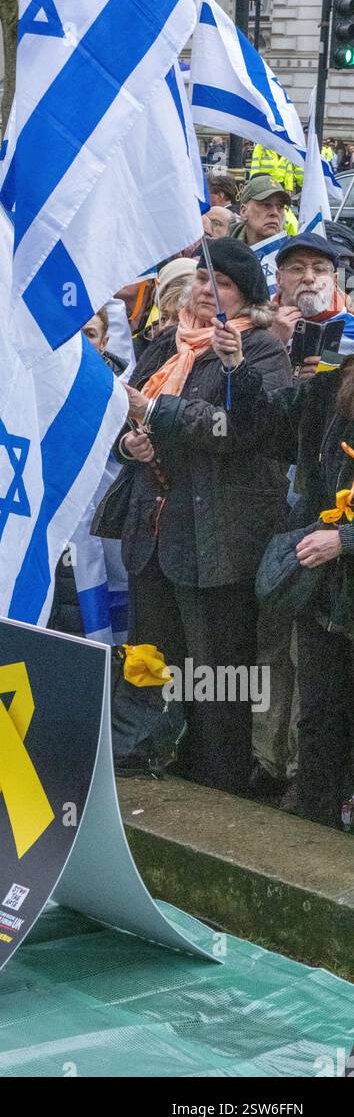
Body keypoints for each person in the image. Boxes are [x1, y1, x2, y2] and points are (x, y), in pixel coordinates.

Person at [118, 240, 291, 795]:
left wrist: (158, 412)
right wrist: (131, 443)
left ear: (247, 296)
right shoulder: (166, 343)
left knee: (216, 672)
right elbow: (123, 405)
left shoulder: (261, 349)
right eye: (199, 279)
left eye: (220, 284)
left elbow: (241, 429)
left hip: (218, 537)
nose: (202, 291)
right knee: (152, 660)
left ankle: (217, 782)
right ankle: (143, 754)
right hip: (154, 528)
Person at [213, 326, 354, 827]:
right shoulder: (323, 393)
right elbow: (262, 428)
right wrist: (236, 368)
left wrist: (347, 538)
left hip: (336, 562)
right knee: (317, 713)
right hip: (323, 592)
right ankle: (314, 819)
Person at [231, 174, 291, 250]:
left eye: (280, 206)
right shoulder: (222, 249)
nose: (275, 213)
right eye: (266, 205)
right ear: (244, 211)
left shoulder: (294, 254)